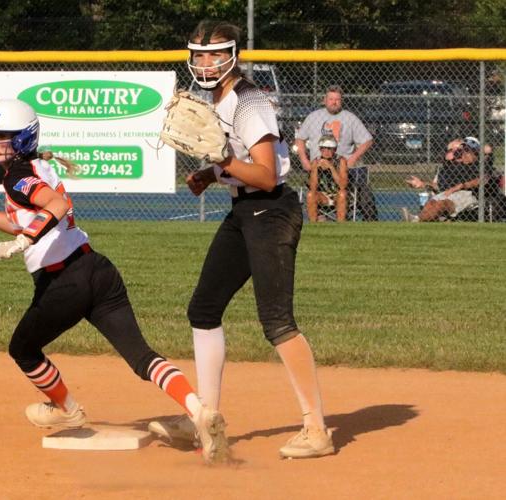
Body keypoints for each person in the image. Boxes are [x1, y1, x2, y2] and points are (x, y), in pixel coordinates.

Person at [0, 99, 229, 464]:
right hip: (96, 269)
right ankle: (199, 412)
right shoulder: (36, 165)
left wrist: (26, 240)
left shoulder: (17, 177)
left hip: (65, 280)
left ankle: (66, 408)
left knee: (23, 349)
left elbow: (55, 207)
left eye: (2, 136)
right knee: (141, 357)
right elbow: (24, 221)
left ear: (23, 137)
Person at [148, 20, 334, 460]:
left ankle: (316, 429)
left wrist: (223, 162)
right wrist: (212, 174)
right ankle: (205, 419)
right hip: (244, 210)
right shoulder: (217, 98)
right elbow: (236, 163)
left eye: (215, 54)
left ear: (234, 55)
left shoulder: (250, 101)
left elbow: (266, 174)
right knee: (203, 308)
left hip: (271, 211)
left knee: (277, 321)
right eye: (199, 54)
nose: (206, 62)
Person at [295, 85, 375, 221]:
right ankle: (318, 219)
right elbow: (300, 138)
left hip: (341, 167)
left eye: (337, 99)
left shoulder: (350, 118)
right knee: (312, 192)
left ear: (341, 101)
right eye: (331, 99)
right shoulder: (313, 117)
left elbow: (368, 140)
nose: (334, 102)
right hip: (317, 166)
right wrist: (304, 160)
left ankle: (343, 222)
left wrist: (353, 158)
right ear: (324, 100)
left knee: (346, 191)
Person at [402, 137, 492, 222]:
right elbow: (440, 186)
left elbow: (483, 179)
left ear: (475, 152)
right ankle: (418, 219)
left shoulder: (480, 165)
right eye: (462, 150)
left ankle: (416, 219)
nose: (463, 153)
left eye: (467, 150)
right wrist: (423, 184)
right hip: (448, 192)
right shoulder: (450, 168)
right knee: (431, 203)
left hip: (467, 194)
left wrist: (460, 186)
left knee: (443, 204)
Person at [306, 134, 348, 222]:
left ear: (335, 149)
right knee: (310, 195)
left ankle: (341, 226)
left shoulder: (341, 161)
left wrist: (331, 167)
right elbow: (313, 187)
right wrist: (315, 169)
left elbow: (343, 186)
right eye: (323, 148)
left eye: (329, 148)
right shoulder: (316, 161)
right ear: (320, 149)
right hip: (323, 196)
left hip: (337, 194)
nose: (326, 151)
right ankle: (313, 225)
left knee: (342, 194)